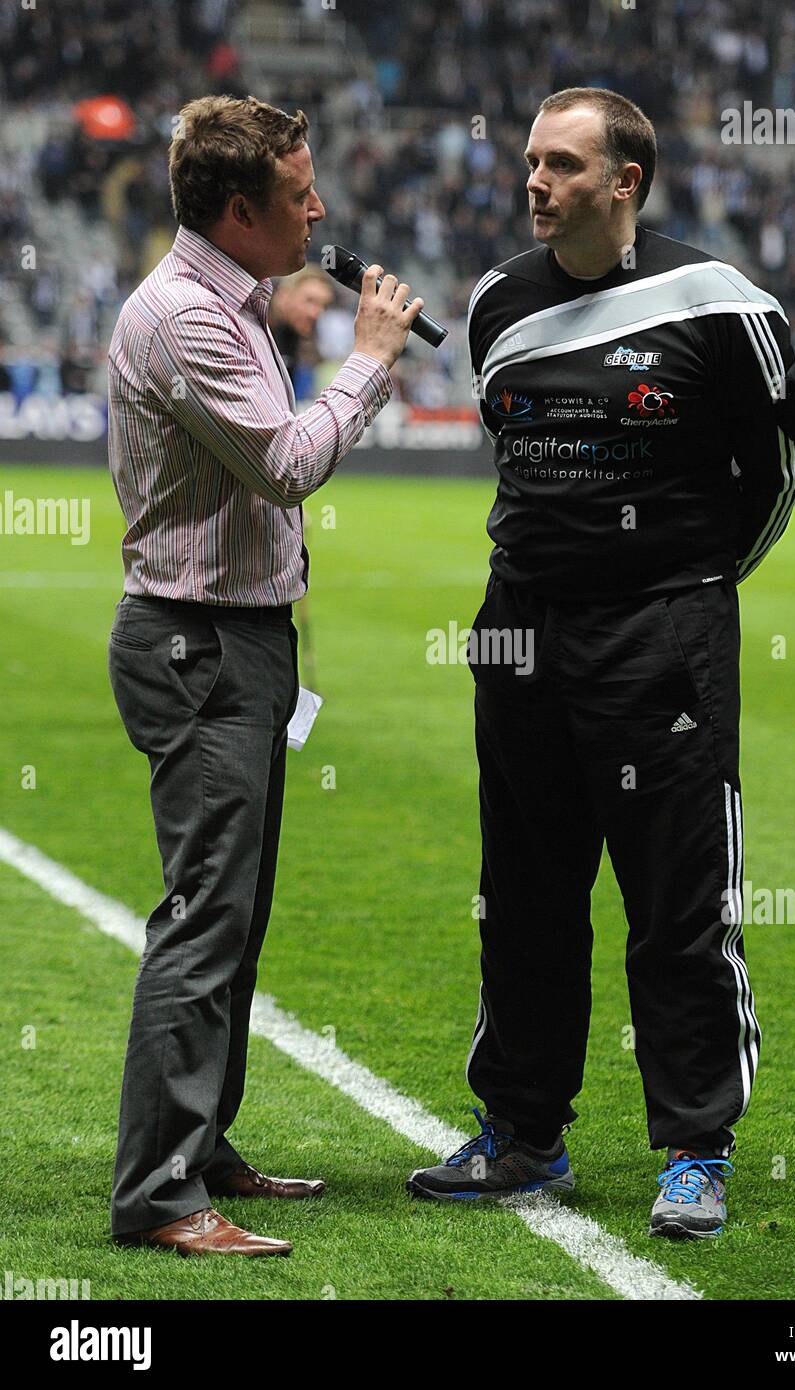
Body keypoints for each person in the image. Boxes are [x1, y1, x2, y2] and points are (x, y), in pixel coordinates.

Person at [408, 87, 795, 1239]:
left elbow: (775, 473)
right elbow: (512, 459)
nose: (534, 181)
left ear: (623, 181)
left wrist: (685, 584)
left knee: (678, 898)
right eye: (531, 160)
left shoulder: (721, 306)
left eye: (562, 165)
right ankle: (523, 1135)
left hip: (663, 633)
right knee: (523, 893)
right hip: (518, 627)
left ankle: (696, 1147)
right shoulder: (496, 302)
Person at [107, 94, 422, 1257]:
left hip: (236, 638)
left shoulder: (221, 296)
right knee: (203, 918)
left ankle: (202, 1141)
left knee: (233, 917)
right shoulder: (187, 316)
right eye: (299, 195)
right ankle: (159, 1193)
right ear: (240, 213)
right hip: (198, 645)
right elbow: (287, 464)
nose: (321, 209)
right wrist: (371, 361)